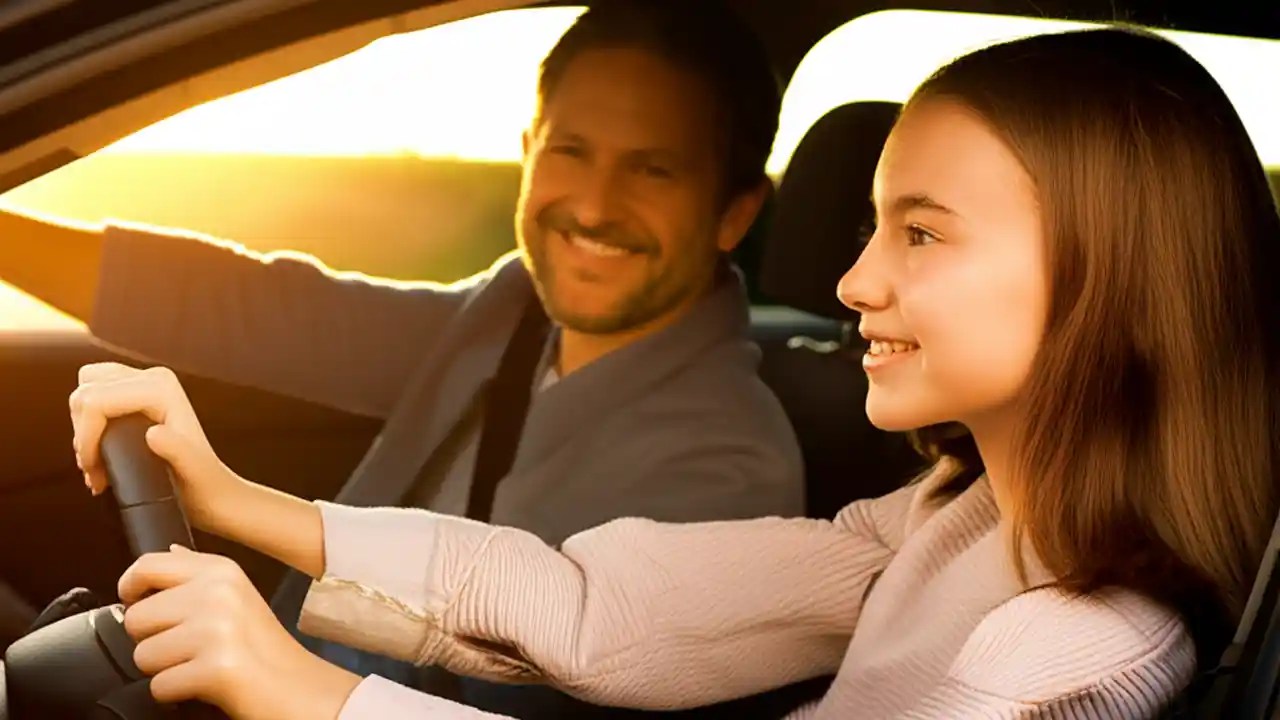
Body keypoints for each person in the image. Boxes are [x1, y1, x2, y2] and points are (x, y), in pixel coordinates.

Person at [68, 25, 1280, 720]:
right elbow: (594, 607)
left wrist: (317, 699)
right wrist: (241, 507)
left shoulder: (1072, 659)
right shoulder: (935, 524)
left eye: (918, 232)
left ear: (1103, 281)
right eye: (868, 228)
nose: (853, 281)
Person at [2, 2, 807, 716]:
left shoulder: (735, 469)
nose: (594, 205)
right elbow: (267, 311)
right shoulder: (511, 312)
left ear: (733, 212)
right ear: (530, 151)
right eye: (571, 151)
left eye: (653, 168)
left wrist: (268, 669)